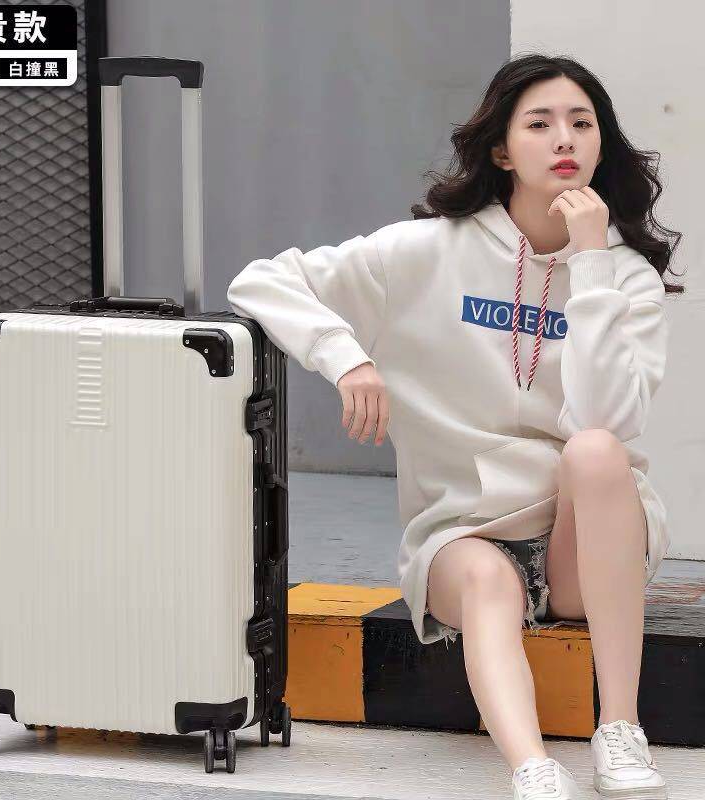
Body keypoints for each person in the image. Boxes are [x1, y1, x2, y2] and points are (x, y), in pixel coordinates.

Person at [226, 52, 683, 800]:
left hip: (582, 538)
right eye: (540, 124)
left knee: (599, 451)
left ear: (601, 146)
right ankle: (532, 768)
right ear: (502, 150)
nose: (564, 138)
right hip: (465, 531)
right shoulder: (430, 250)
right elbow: (262, 280)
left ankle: (620, 730)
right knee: (484, 579)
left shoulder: (624, 274)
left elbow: (607, 417)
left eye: (582, 123)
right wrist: (347, 359)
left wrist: (593, 266)